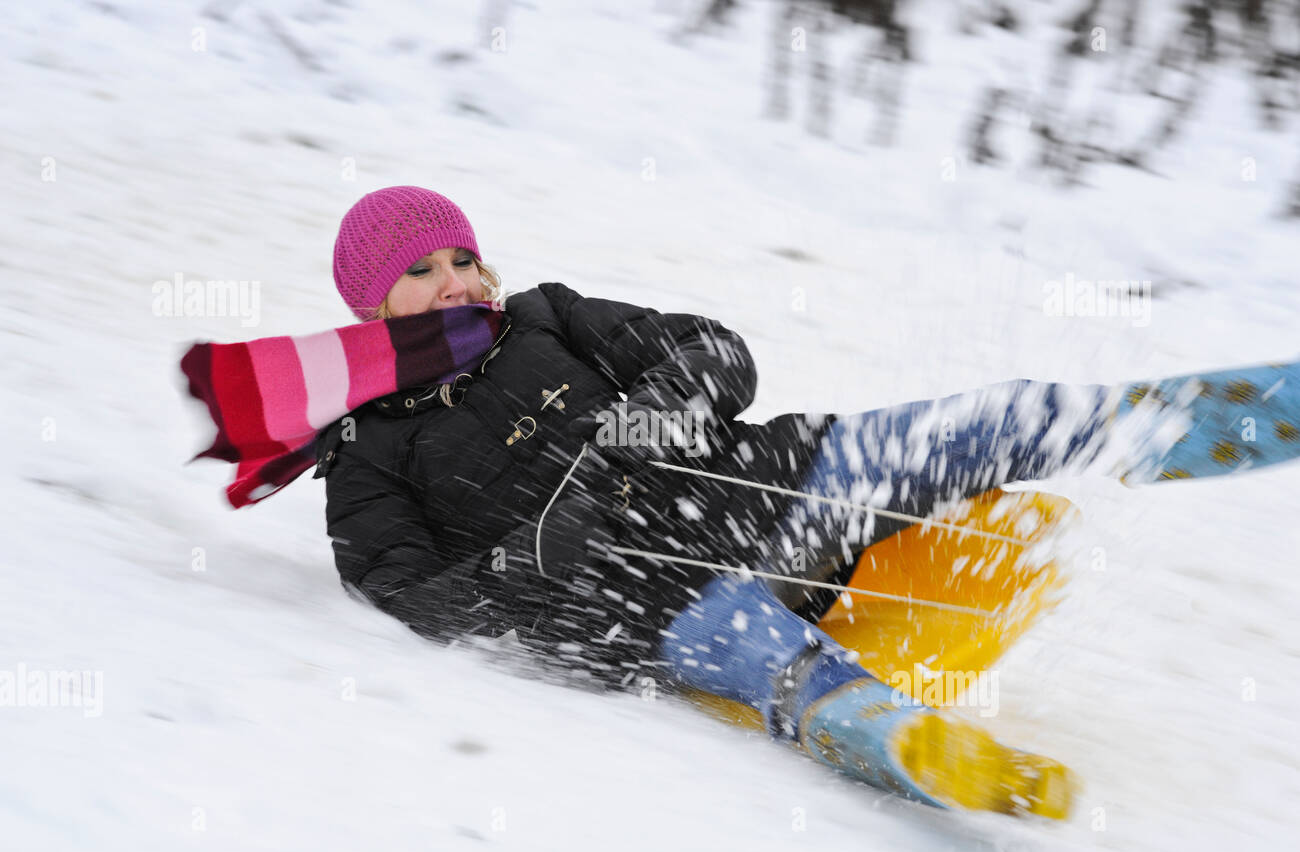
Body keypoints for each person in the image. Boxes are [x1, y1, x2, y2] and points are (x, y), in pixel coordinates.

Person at [295, 186, 1297, 818]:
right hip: (633, 600)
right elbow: (406, 590)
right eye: (420, 271)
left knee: (980, 424)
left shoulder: (544, 316)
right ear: (369, 306)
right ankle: (923, 752)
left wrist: (653, 415)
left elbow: (713, 351)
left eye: (462, 256)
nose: (455, 279)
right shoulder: (366, 447)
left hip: (762, 485)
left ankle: (1204, 421)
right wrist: (535, 559)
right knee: (772, 660)